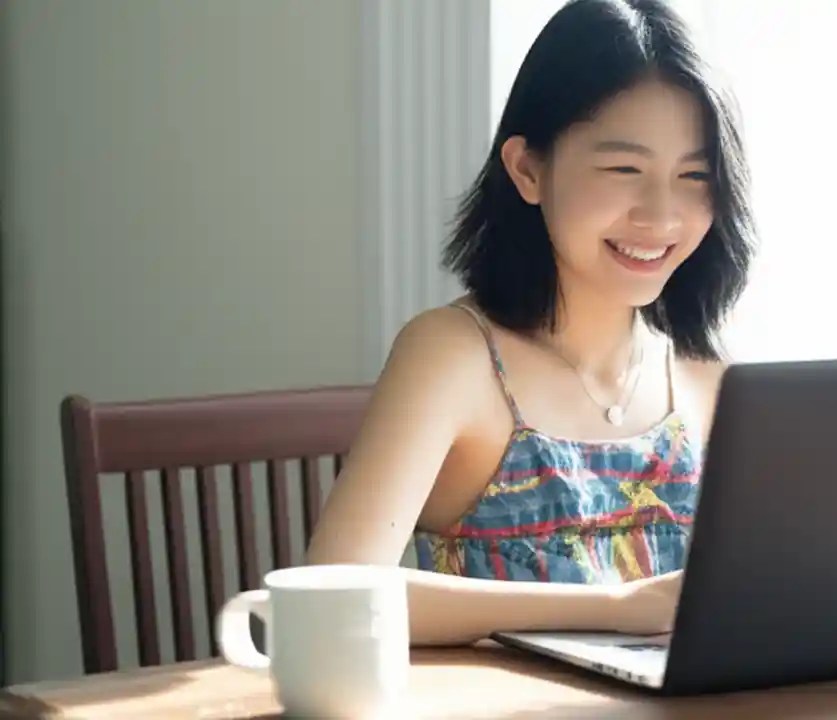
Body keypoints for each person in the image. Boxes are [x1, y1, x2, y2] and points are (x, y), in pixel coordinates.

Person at [306, 0, 754, 646]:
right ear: (527, 170)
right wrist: (618, 606)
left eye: (694, 177)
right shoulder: (453, 357)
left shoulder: (707, 375)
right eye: (625, 170)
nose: (662, 216)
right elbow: (335, 592)